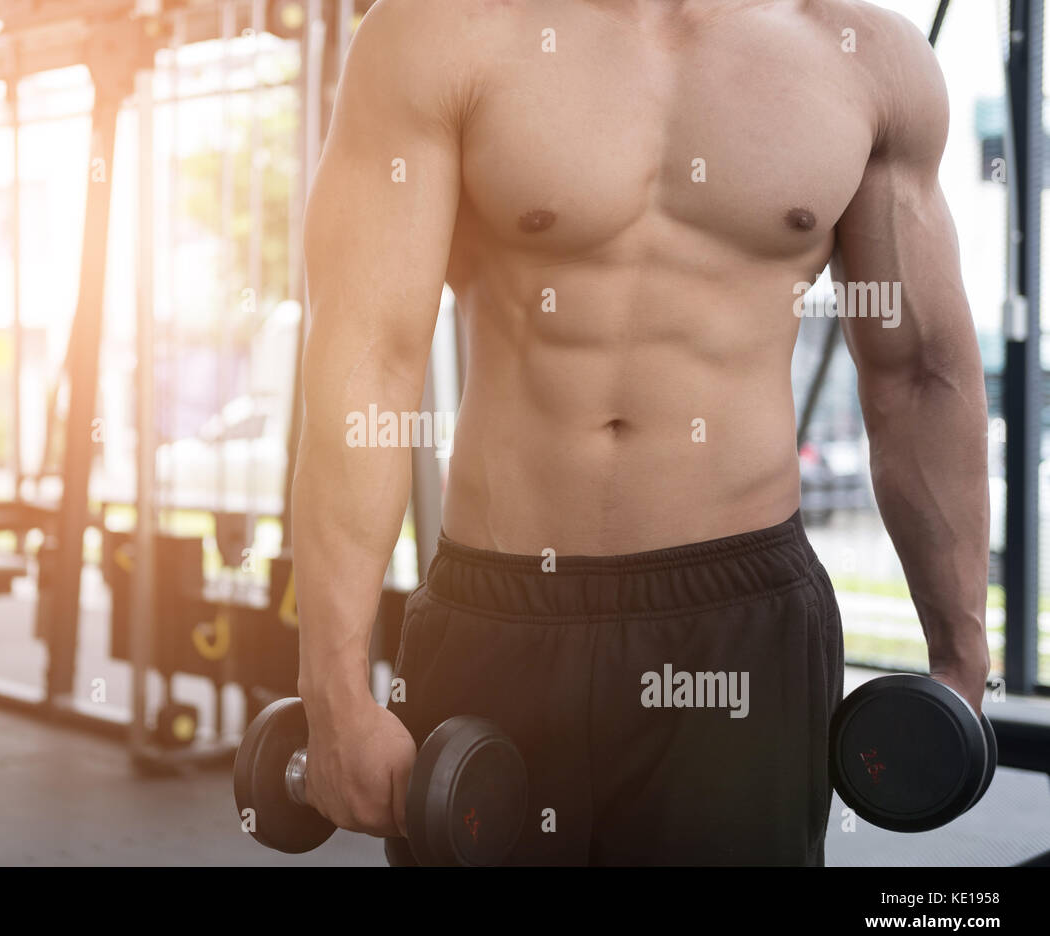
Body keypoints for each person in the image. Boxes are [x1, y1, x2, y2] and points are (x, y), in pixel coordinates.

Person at [291, 0, 990, 864]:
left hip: (739, 620)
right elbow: (367, 361)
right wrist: (332, 690)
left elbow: (920, 374)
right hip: (501, 618)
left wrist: (961, 661)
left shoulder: (869, 60)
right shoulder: (438, 33)